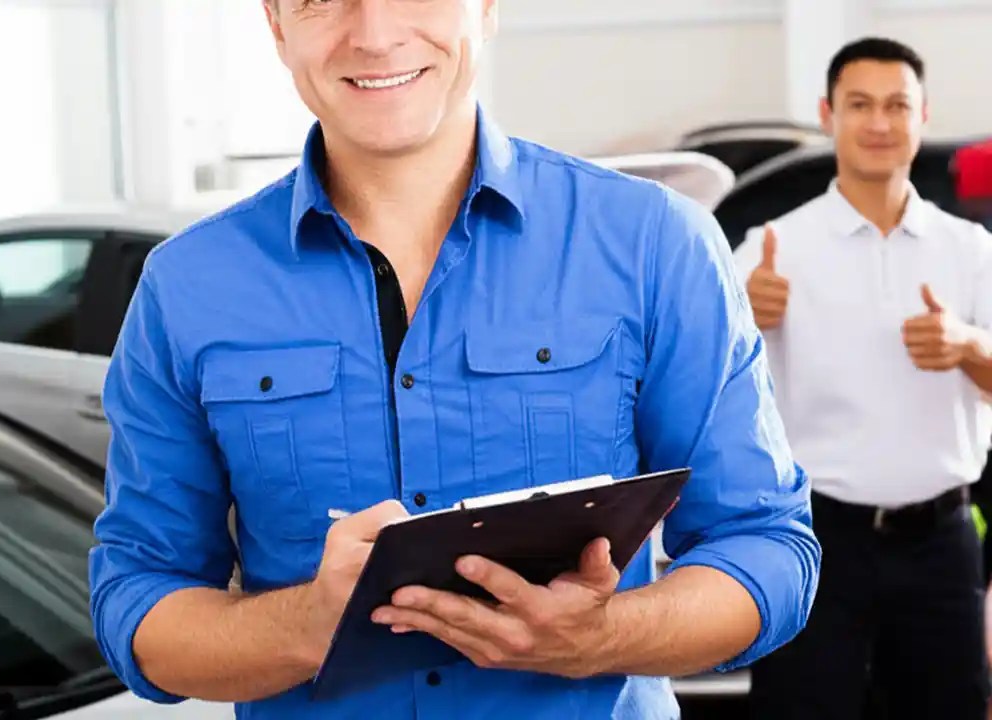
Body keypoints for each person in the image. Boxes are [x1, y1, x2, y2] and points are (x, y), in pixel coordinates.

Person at [90, 1, 820, 718]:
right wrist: (306, 624)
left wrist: (601, 638)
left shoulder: (655, 245)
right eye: (322, 0)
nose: (373, 34)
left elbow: (767, 549)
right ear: (276, 22)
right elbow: (139, 602)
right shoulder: (186, 288)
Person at [737, 37, 992, 720]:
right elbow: (709, 396)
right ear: (827, 114)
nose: (879, 123)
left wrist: (968, 345)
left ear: (924, 116)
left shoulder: (970, 250)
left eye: (896, 105)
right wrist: (746, 322)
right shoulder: (771, 248)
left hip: (944, 541)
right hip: (817, 540)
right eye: (859, 104)